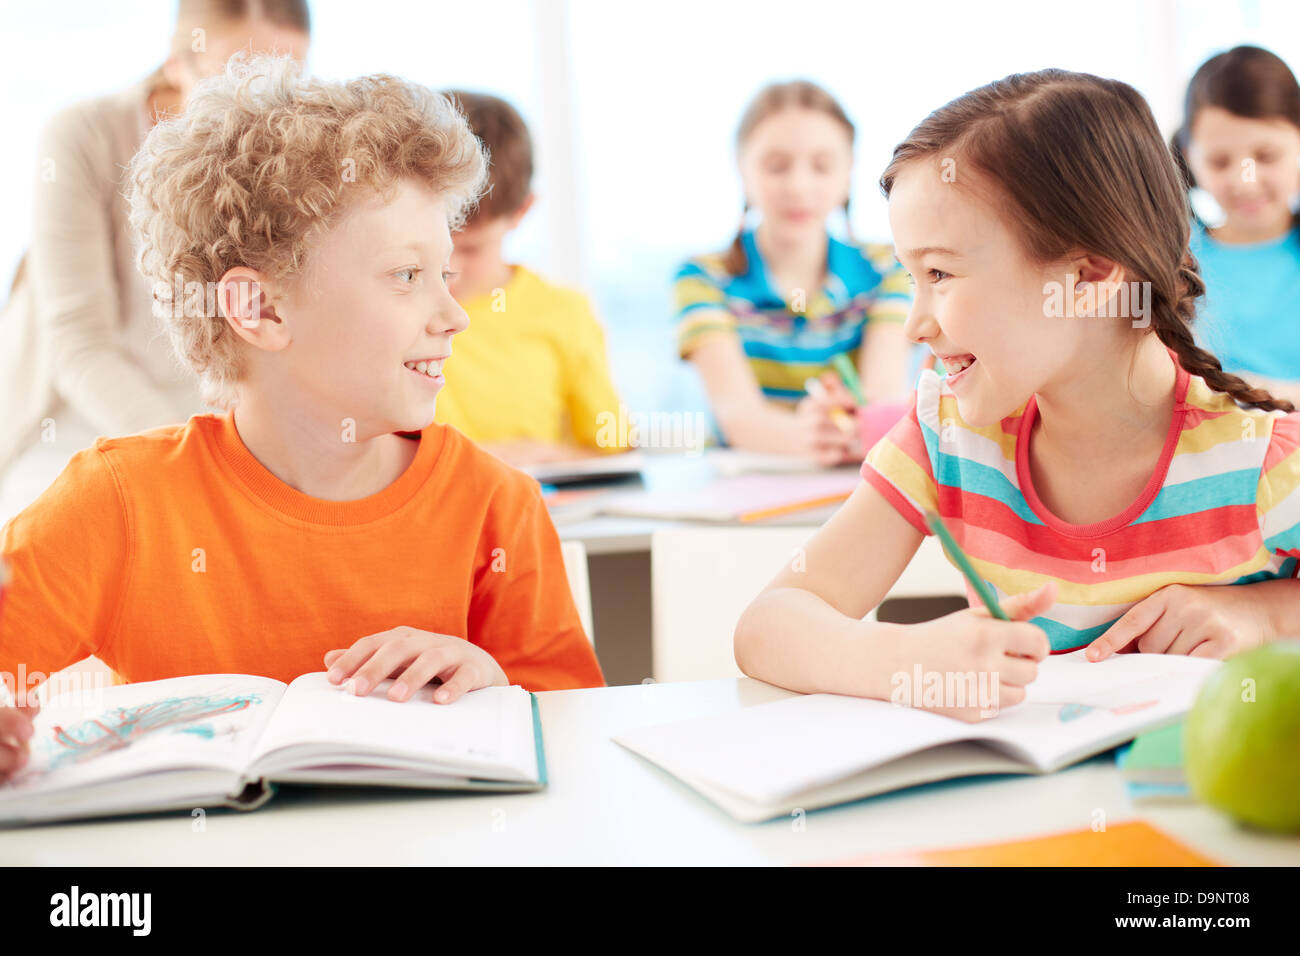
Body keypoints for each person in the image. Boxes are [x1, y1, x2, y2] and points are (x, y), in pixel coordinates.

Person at [0, 55, 604, 780]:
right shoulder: (119, 500)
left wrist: (491, 681)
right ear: (259, 308)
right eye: (407, 277)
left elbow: (575, 742)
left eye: (445, 274)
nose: (453, 315)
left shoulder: (497, 508)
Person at [734, 70, 1300, 721]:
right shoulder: (949, 438)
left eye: (940, 273)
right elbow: (768, 625)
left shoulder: (1262, 462)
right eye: (911, 277)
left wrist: (1272, 612)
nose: (917, 322)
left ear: (1087, 276)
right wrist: (903, 661)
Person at [0, 0, 311, 523]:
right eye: (235, 79)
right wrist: (193, 460)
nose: (266, 113)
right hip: (78, 419)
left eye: (285, 84)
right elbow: (80, 344)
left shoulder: (294, 150)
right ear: (176, 63)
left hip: (224, 422)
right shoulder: (86, 134)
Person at [673, 80, 913, 465]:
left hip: (853, 486)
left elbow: (882, 395)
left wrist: (845, 425)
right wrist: (813, 434)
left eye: (821, 166)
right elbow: (738, 417)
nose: (799, 187)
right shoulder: (702, 278)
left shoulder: (890, 269)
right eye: (776, 166)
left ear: (849, 171)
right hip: (741, 491)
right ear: (742, 167)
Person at [433, 91, 628, 466]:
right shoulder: (384, 314)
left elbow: (614, 452)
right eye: (433, 244)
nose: (448, 266)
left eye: (471, 248)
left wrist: (548, 456)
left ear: (522, 210)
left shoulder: (562, 313)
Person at [1172, 45, 1300, 407]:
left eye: (1266, 156)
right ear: (1188, 158)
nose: (1246, 181)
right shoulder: (1173, 263)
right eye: (1220, 161)